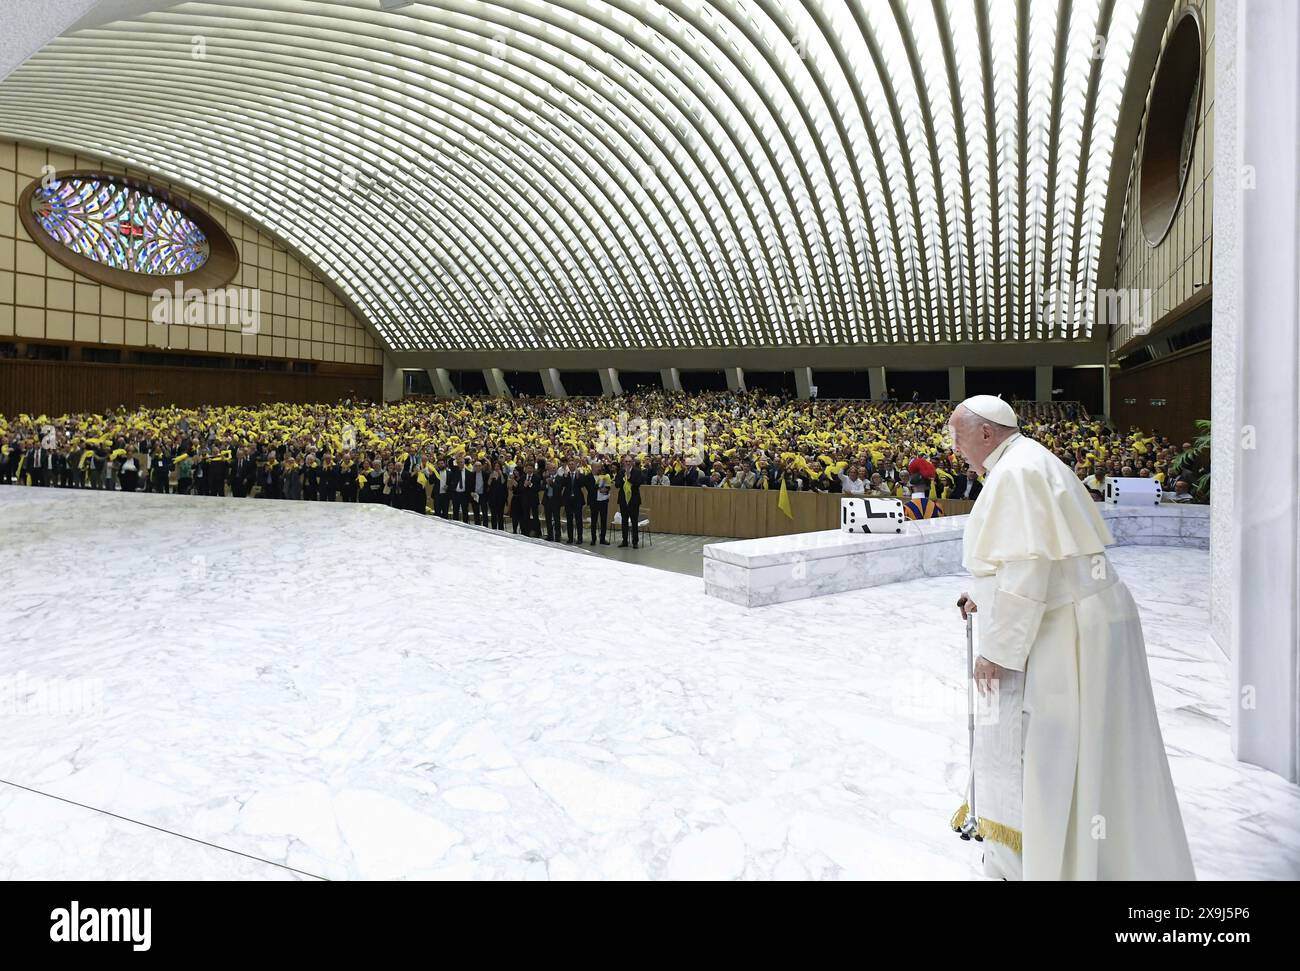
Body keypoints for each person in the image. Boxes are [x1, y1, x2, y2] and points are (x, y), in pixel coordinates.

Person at [948, 394, 1193, 881]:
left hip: (1073, 629)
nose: (952, 448)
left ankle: (1060, 865)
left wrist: (995, 653)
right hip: (1085, 615)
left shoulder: (1016, 472)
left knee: (1056, 744)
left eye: (955, 436)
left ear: (985, 432)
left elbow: (1028, 567)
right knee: (1092, 749)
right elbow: (1033, 561)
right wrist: (985, 595)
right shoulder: (1027, 460)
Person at [615, 455, 642, 548]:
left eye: (629, 461)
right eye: (626, 461)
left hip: (634, 500)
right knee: (624, 521)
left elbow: (637, 484)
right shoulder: (621, 472)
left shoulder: (637, 472)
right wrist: (624, 480)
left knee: (634, 522)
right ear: (623, 462)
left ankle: (635, 542)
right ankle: (625, 541)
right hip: (623, 500)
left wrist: (629, 477)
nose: (628, 463)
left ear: (632, 462)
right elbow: (617, 485)